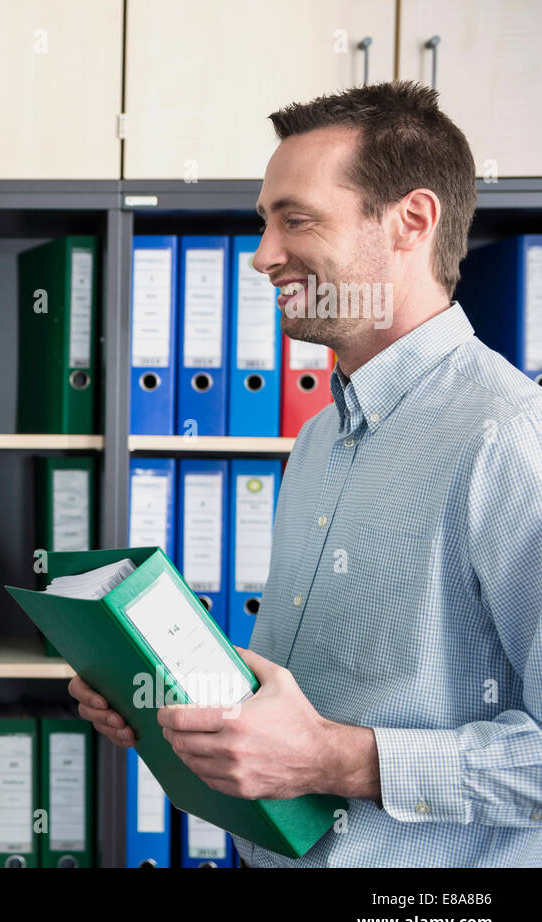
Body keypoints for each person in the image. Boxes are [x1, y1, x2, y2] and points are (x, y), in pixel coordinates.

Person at [70, 81, 542, 867]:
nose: (262, 255)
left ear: (411, 221)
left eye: (296, 220)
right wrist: (156, 692)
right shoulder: (321, 437)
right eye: (265, 222)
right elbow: (305, 699)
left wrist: (339, 760)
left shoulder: (511, 438)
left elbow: (323, 746)